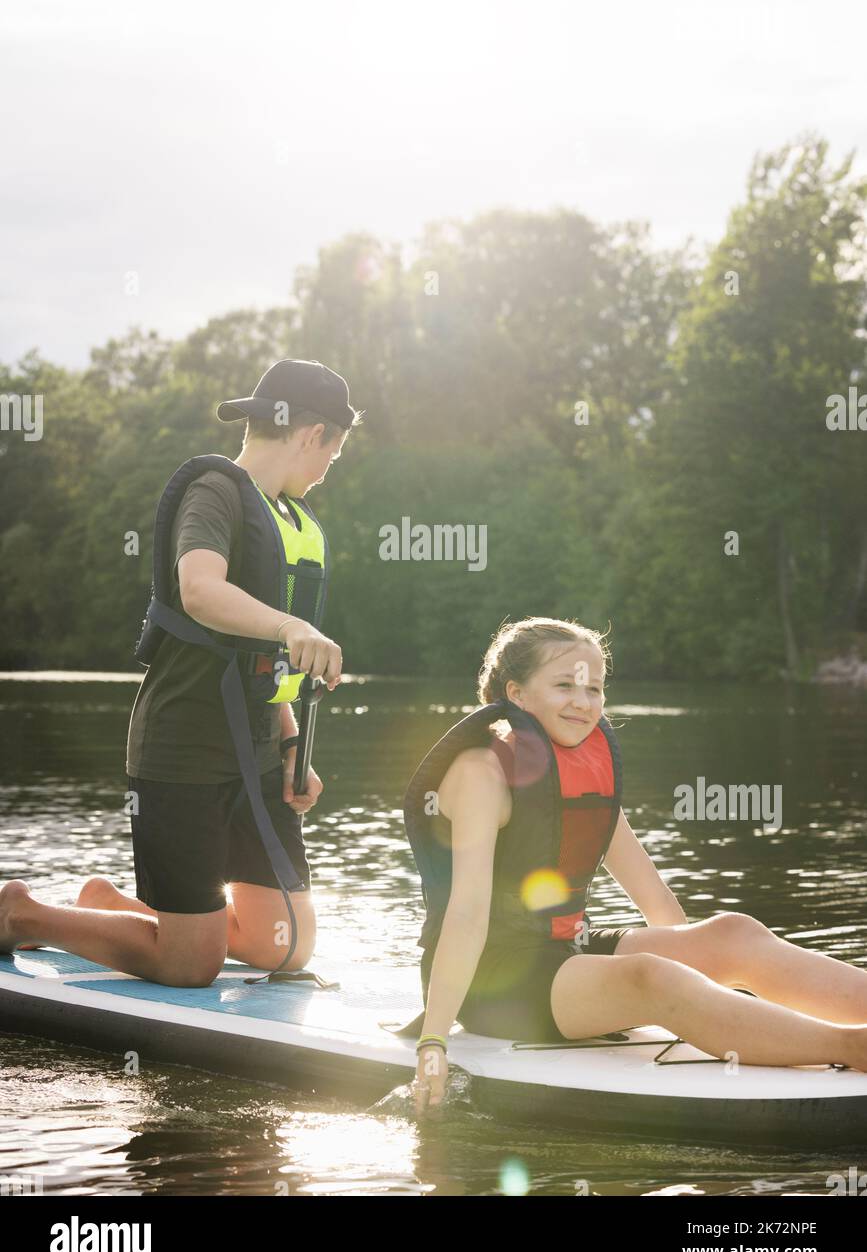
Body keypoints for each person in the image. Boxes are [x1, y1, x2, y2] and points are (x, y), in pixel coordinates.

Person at [405, 617, 867, 1110]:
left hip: (568, 949)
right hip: (491, 979)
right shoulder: (480, 773)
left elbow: (654, 897)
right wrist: (434, 1041)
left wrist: (700, 1005)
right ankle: (851, 1046)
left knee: (733, 932)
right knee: (650, 975)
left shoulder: (579, 768)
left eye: (595, 689)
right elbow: (468, 914)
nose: (583, 703)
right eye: (564, 685)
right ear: (516, 693)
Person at [0, 359, 362, 988]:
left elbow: (260, 663)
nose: (331, 466)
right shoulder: (216, 492)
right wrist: (292, 626)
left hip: (255, 747)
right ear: (312, 435)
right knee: (191, 967)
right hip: (185, 743)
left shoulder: (289, 522)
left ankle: (109, 906)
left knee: (286, 946)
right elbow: (199, 590)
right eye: (335, 449)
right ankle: (22, 913)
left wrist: (288, 741)